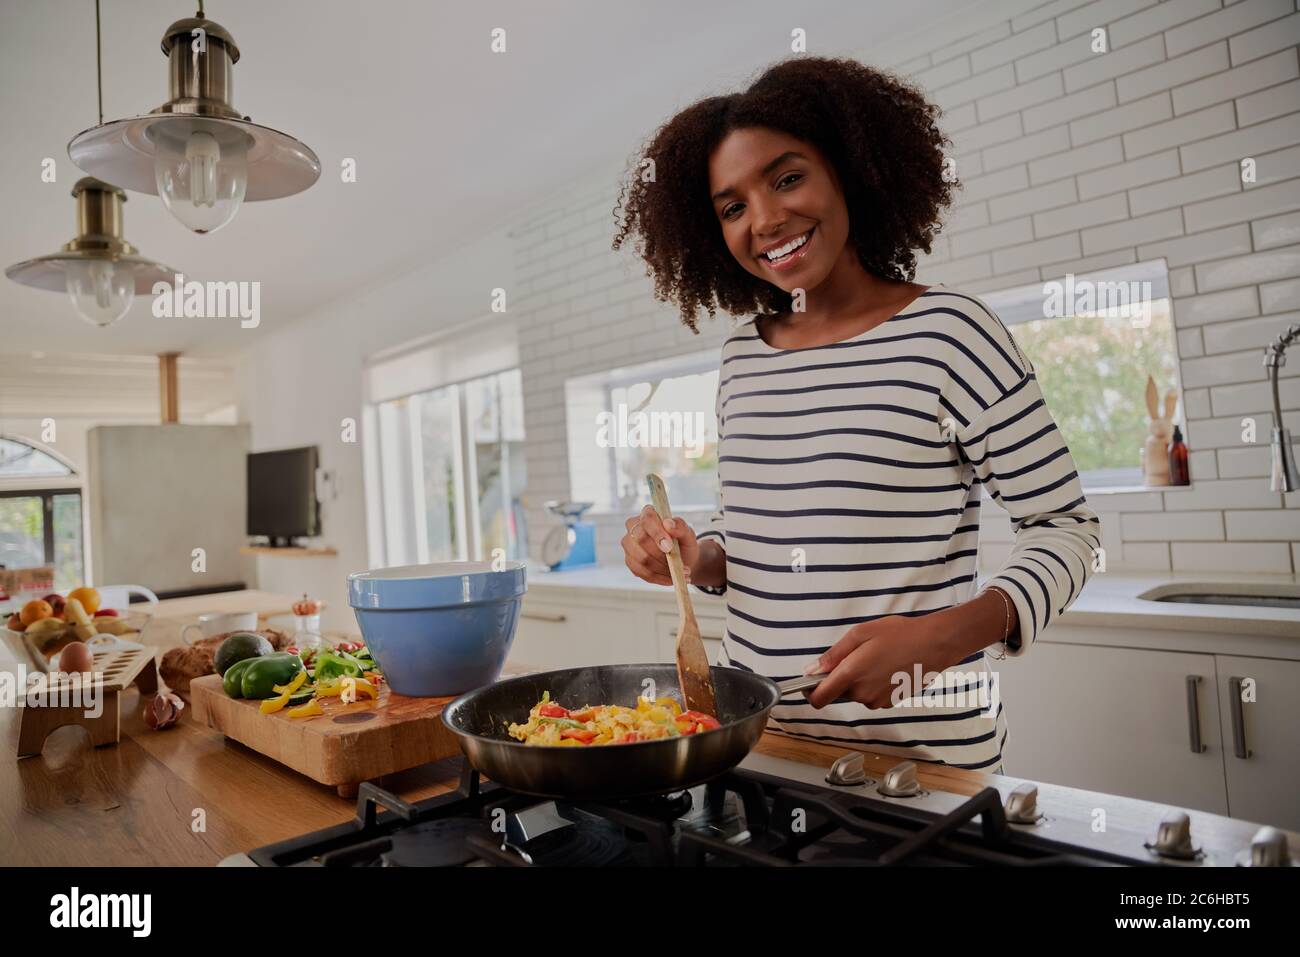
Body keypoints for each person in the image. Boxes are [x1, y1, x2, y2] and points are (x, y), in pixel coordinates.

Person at [611, 56, 1100, 772]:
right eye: (733, 206)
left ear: (847, 169)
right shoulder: (741, 358)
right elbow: (754, 535)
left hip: (923, 763)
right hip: (762, 747)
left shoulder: (952, 333)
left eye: (786, 177)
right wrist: (696, 557)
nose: (767, 219)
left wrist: (941, 636)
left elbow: (1067, 530)